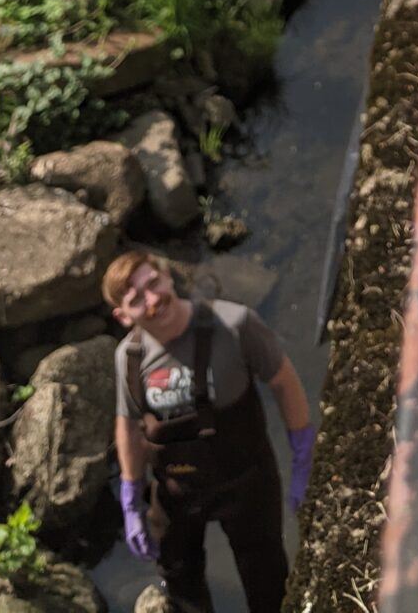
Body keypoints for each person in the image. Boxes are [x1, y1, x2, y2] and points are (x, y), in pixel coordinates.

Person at [105, 250, 316, 613]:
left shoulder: (235, 324)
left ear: (168, 276)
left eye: (154, 283)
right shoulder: (130, 357)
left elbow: (283, 381)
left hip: (247, 484)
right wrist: (130, 496)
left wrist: (303, 457)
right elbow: (127, 424)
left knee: (268, 585)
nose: (153, 299)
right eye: (137, 299)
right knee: (181, 584)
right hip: (176, 491)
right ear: (123, 316)